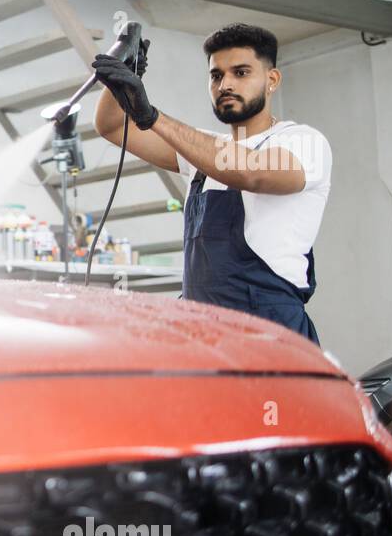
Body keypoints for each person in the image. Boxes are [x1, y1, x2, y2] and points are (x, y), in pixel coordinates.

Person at [93, 23, 331, 344]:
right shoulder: (202, 154)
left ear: (271, 80)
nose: (225, 85)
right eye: (216, 76)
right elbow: (110, 126)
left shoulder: (302, 142)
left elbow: (252, 172)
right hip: (203, 334)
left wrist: (152, 117)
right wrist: (121, 77)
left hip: (270, 336)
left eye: (241, 73)